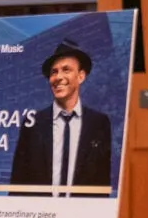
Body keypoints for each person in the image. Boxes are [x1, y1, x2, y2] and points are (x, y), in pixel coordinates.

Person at [7, 42, 115, 190]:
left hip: (81, 212)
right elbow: (17, 183)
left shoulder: (99, 123)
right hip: (40, 212)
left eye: (66, 70)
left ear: (81, 76)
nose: (58, 77)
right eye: (54, 72)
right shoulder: (33, 123)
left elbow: (102, 181)